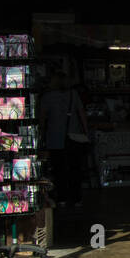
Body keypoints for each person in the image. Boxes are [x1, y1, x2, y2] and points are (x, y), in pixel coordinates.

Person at [39, 72, 89, 209]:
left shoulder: (47, 97)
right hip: (74, 137)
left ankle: (61, 198)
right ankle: (76, 198)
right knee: (75, 169)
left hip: (54, 138)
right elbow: (82, 114)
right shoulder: (73, 95)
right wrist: (86, 132)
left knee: (59, 170)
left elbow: (42, 118)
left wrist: (41, 135)